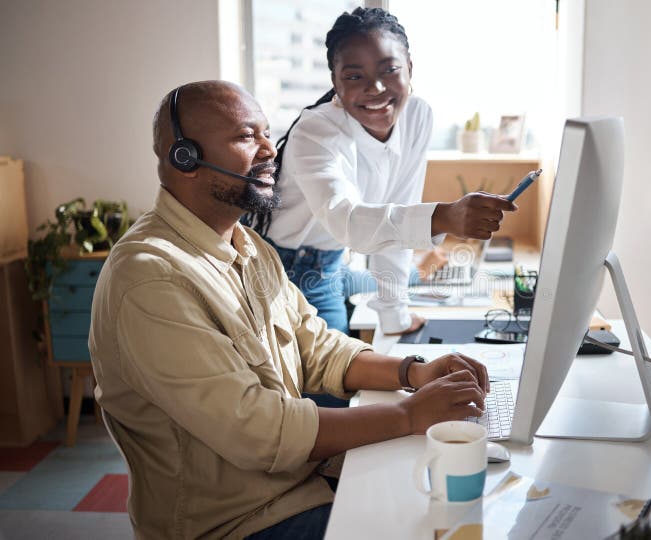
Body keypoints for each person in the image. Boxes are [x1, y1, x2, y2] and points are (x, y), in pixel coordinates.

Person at [88, 80, 490, 540]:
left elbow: (315, 346)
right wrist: (409, 415)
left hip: (300, 488)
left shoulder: (249, 246)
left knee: (441, 505)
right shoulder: (150, 278)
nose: (268, 150)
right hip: (237, 525)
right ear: (185, 159)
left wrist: (413, 372)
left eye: (265, 133)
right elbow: (256, 430)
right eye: (245, 136)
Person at [242, 7, 515, 336]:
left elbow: (400, 207)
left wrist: (395, 316)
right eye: (355, 76)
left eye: (389, 70)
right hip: (285, 268)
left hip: (335, 263)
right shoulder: (316, 132)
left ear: (409, 68)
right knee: (331, 383)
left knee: (419, 280)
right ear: (335, 82)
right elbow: (348, 223)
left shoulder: (417, 116)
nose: (374, 87)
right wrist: (443, 217)